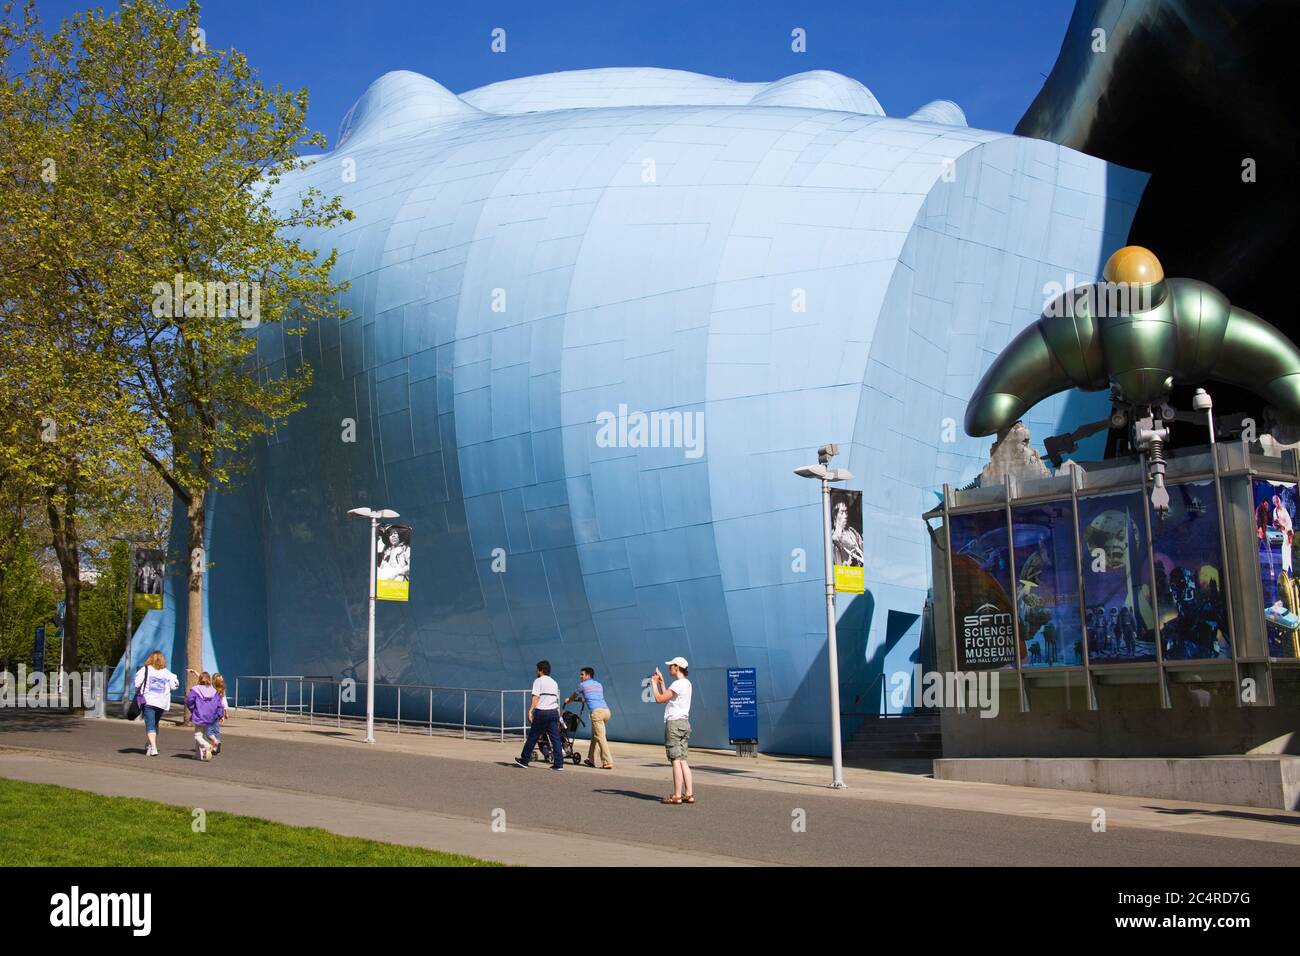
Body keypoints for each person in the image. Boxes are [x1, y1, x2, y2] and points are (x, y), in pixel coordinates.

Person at [650, 656, 694, 805]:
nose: (669, 668)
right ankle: (689, 793)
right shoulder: (687, 684)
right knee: (683, 760)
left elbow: (660, 699)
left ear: (677, 667)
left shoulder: (677, 683)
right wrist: (662, 682)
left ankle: (676, 795)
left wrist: (653, 684)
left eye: (671, 666)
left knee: (675, 760)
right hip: (684, 723)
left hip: (674, 724)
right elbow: (670, 698)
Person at [513, 660, 564, 770]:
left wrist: (530, 710)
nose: (536, 671)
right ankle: (559, 764)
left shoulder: (538, 681)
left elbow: (535, 697)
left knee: (533, 736)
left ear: (541, 670)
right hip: (554, 712)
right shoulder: (554, 682)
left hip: (542, 712)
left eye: (537, 669)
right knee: (555, 738)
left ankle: (524, 760)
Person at [565, 667, 613, 769]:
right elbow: (593, 697)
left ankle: (607, 762)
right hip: (606, 712)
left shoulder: (582, 685)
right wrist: (583, 699)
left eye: (582, 674)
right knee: (595, 736)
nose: (580, 676)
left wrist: (568, 700)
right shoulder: (599, 685)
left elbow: (573, 696)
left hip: (597, 713)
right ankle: (591, 759)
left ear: (588, 675)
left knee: (600, 737)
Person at [133, 651, 179, 757]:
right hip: (162, 702)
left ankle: (153, 747)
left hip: (148, 700)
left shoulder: (145, 669)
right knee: (154, 723)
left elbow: (137, 683)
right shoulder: (166, 672)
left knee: (150, 724)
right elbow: (174, 686)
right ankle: (149, 744)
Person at [184, 671, 224, 761]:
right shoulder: (213, 691)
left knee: (197, 736)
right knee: (202, 734)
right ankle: (199, 755)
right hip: (211, 716)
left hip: (199, 715)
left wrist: (193, 709)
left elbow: (189, 701)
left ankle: (207, 746)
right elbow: (219, 704)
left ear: (200, 679)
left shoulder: (195, 689)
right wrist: (220, 715)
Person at [1274, 495, 1293, 574]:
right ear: (1274, 503)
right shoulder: (1275, 511)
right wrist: (1277, 527)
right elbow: (1275, 522)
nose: (1277, 503)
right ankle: (1288, 570)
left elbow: (1289, 522)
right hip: (1284, 533)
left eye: (1278, 501)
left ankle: (1287, 570)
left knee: (1288, 550)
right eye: (1275, 502)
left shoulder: (1284, 510)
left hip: (1288, 532)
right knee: (1286, 550)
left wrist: (1285, 529)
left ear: (1279, 501)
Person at [209, 673, 228, 754]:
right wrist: (225, 713)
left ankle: (215, 742)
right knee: (216, 730)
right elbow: (224, 702)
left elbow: (202, 678)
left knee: (209, 732)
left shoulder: (210, 688)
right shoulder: (222, 690)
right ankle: (216, 746)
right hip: (218, 713)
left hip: (210, 712)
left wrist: (195, 672)